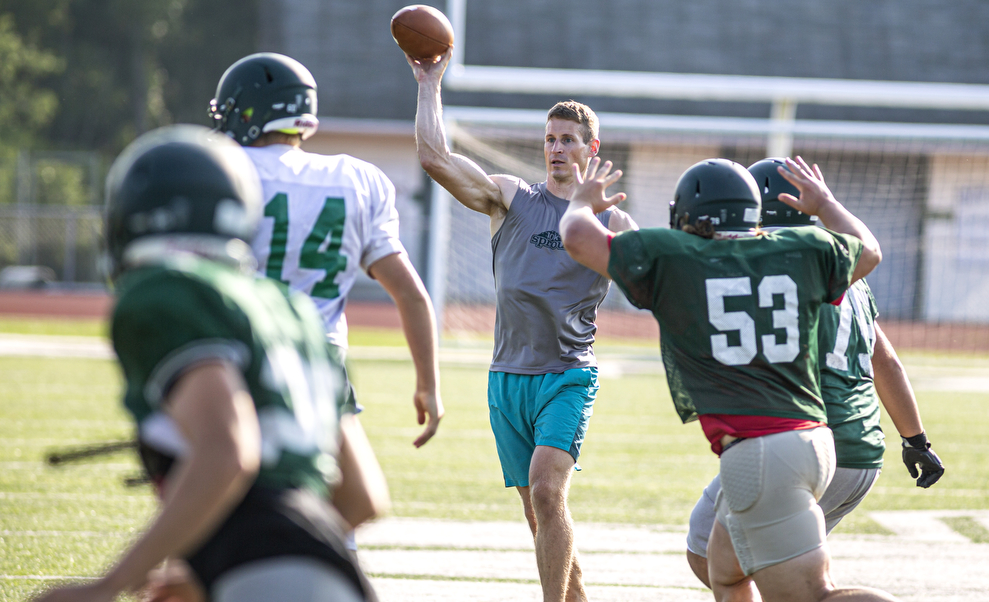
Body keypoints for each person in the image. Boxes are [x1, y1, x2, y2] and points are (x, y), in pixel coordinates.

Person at [33, 125, 385, 602]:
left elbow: (228, 451)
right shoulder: (293, 311)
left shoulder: (166, 292)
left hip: (263, 581)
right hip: (336, 576)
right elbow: (363, 496)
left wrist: (110, 585)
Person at [560, 155, 898, 601]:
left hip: (761, 451)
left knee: (813, 596)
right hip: (812, 440)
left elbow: (577, 236)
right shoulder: (798, 248)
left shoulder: (679, 259)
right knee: (724, 571)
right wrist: (827, 205)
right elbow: (868, 250)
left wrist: (581, 200)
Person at [407, 47, 637, 602]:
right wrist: (429, 82)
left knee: (547, 492)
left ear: (592, 149)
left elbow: (661, 279)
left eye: (568, 139)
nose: (556, 148)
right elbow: (436, 158)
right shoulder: (511, 198)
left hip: (567, 375)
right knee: (540, 513)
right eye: (550, 138)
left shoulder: (612, 221)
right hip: (507, 379)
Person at [683, 157, 946, 596]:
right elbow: (886, 362)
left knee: (789, 585)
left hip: (806, 440)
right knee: (716, 554)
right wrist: (915, 439)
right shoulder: (842, 266)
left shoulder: (777, 263)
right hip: (859, 450)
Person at [208, 52, 443, 450]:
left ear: (248, 112)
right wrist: (428, 385)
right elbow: (411, 294)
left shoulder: (224, 168)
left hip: (243, 357)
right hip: (321, 366)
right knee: (335, 483)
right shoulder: (357, 179)